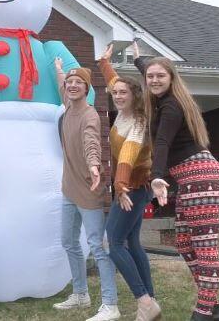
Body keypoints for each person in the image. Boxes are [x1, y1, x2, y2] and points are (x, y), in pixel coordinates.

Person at [134, 45, 219, 321]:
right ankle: (214, 307)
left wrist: (157, 176)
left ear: (171, 77)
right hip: (191, 178)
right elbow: (150, 70)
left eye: (160, 76)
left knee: (204, 245)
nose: (154, 80)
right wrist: (140, 59)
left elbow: (162, 142)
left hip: (203, 178)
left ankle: (203, 313)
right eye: (150, 76)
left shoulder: (171, 106)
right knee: (185, 244)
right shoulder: (161, 94)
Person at [97, 43, 165, 321]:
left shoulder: (137, 122)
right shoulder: (122, 110)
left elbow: (127, 156)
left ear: (134, 95)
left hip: (134, 189)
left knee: (111, 242)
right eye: (115, 93)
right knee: (133, 242)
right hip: (135, 188)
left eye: (123, 92)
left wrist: (120, 186)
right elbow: (115, 81)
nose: (117, 95)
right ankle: (151, 300)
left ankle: (144, 300)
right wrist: (104, 63)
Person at [52, 58, 120, 321]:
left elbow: (92, 141)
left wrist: (94, 166)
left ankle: (110, 304)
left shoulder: (89, 115)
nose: (71, 86)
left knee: (97, 246)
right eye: (70, 83)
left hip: (89, 188)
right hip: (68, 188)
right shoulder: (68, 104)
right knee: (68, 242)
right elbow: (61, 84)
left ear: (87, 88)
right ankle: (81, 293)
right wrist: (60, 70)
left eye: (78, 83)